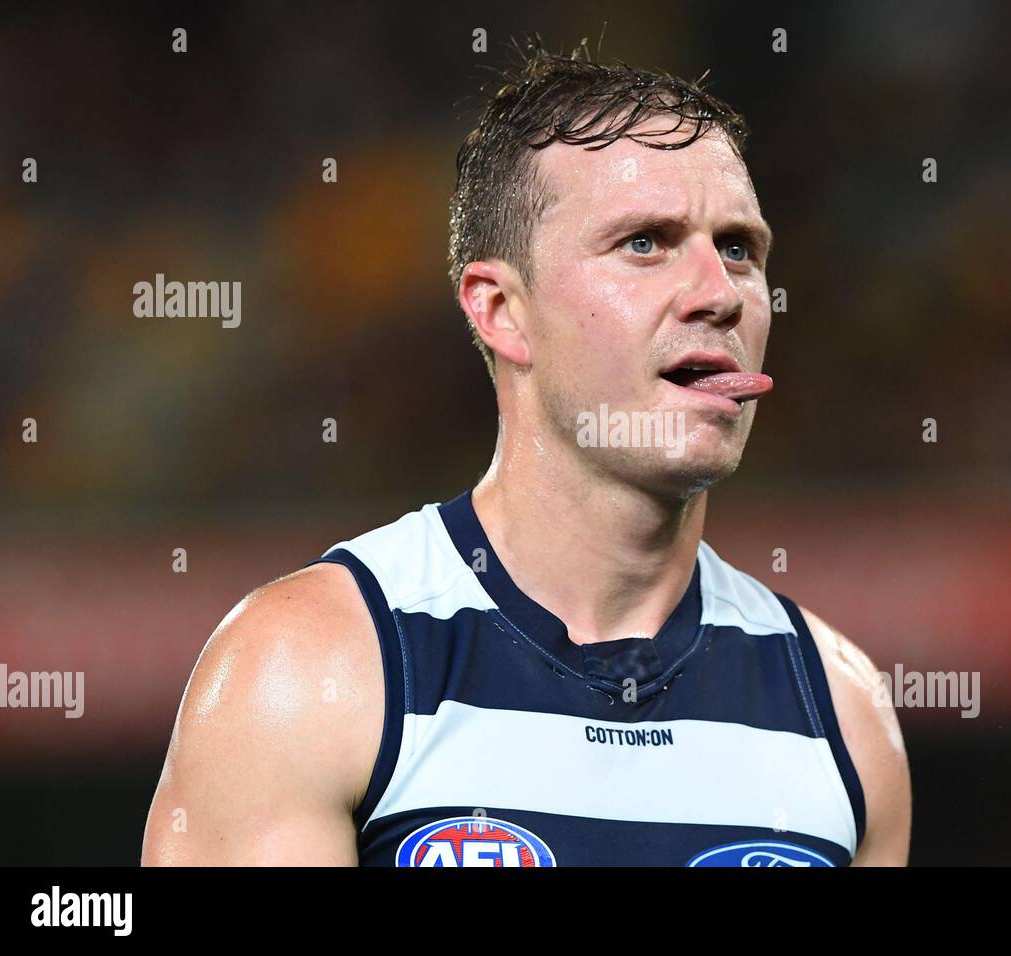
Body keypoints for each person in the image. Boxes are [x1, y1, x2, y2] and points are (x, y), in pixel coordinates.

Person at [142, 41, 911, 867]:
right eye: (645, 243)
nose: (720, 295)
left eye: (738, 248)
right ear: (502, 311)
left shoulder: (844, 714)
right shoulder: (308, 671)